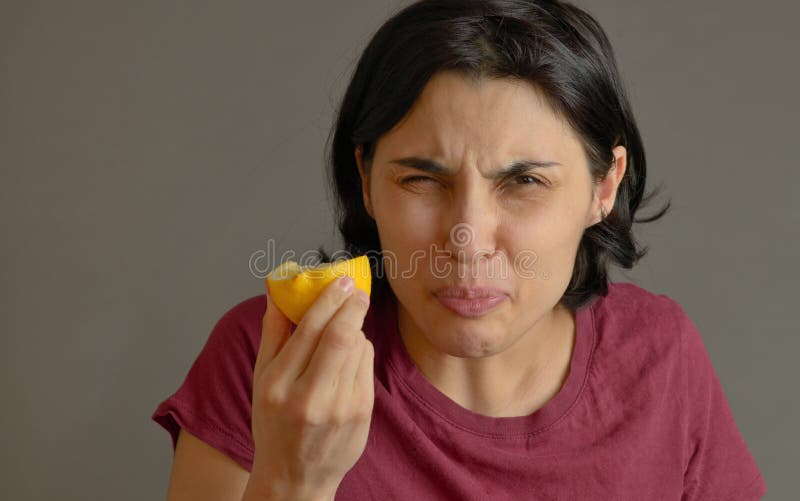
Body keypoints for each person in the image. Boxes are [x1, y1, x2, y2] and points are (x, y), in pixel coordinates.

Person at [152, 1, 768, 499]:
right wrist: (292, 483)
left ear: (603, 187)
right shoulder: (272, 359)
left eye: (524, 182)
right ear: (365, 179)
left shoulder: (662, 356)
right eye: (422, 180)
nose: (466, 242)